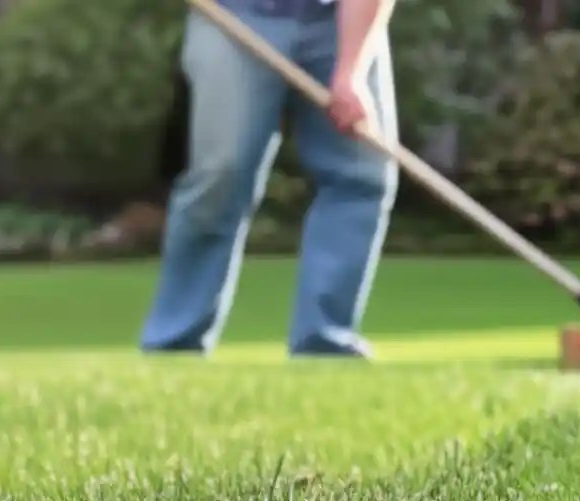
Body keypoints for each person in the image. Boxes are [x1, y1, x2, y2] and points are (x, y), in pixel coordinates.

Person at [140, 0, 399, 358]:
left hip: (338, 18)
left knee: (362, 176)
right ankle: (175, 342)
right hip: (231, 14)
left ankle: (325, 342)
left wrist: (351, 74)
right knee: (221, 173)